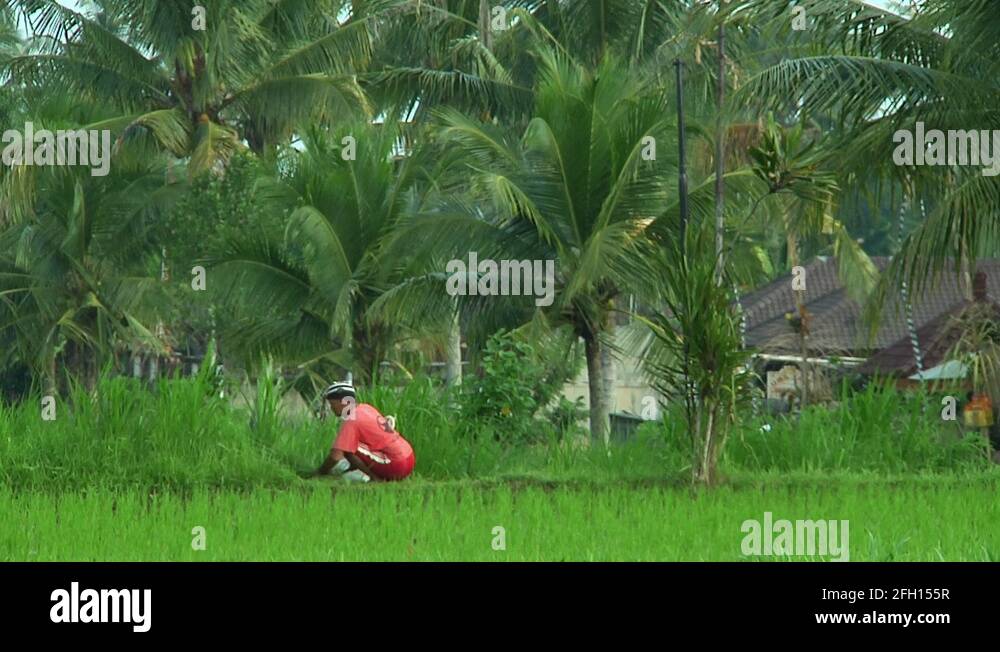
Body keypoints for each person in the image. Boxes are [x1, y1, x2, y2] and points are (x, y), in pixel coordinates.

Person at [314, 381, 415, 482]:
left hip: (397, 464)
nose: (332, 408)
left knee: (346, 448)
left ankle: (374, 478)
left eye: (333, 404)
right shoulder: (366, 408)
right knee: (349, 444)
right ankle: (365, 473)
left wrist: (319, 472)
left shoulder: (351, 419)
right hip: (409, 457)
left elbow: (335, 457)